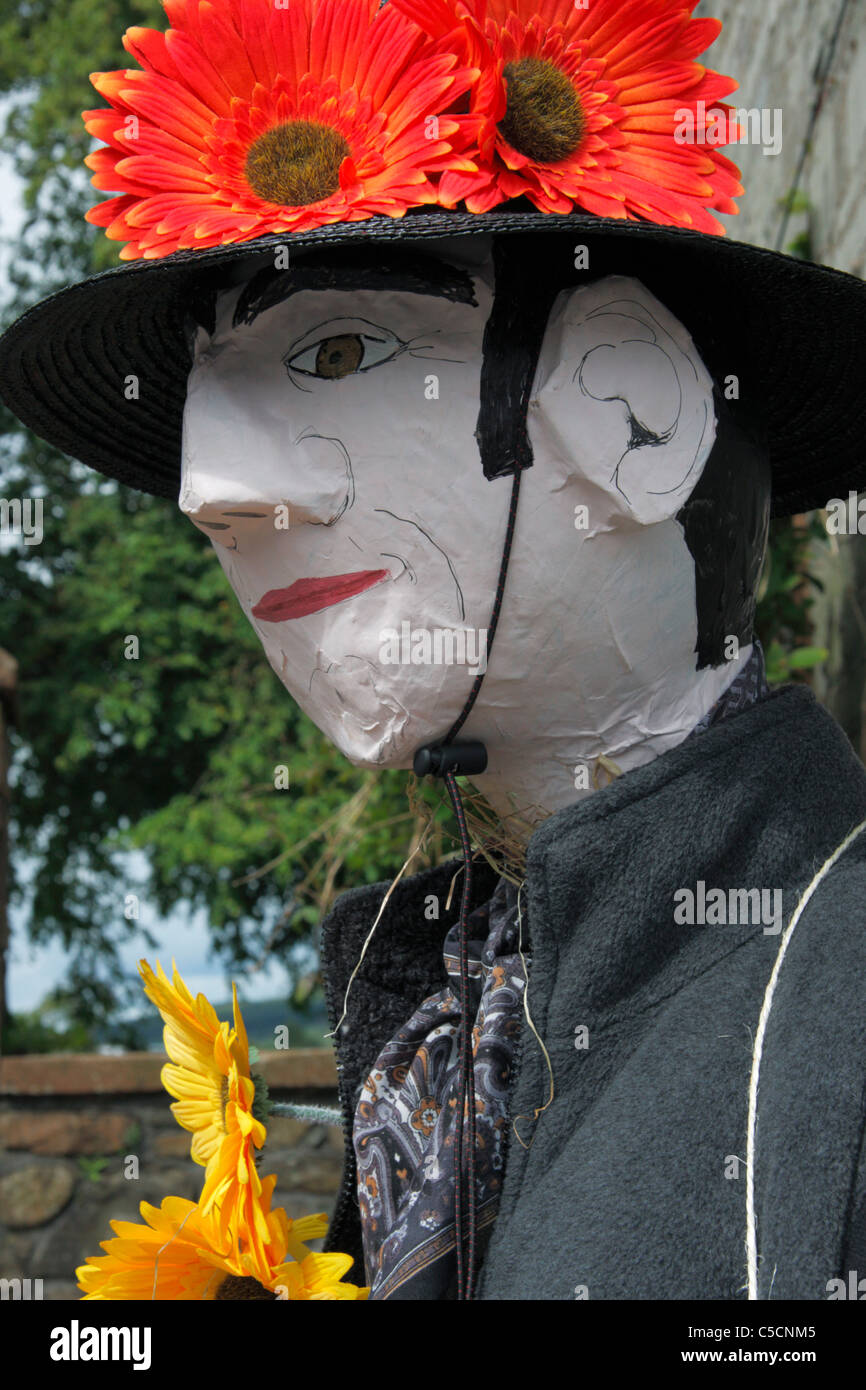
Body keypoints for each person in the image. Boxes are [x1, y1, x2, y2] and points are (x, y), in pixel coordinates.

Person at [1, 0, 865, 1301]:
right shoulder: (446, 1018)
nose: (212, 489)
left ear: (631, 415)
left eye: (341, 350)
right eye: (207, 402)